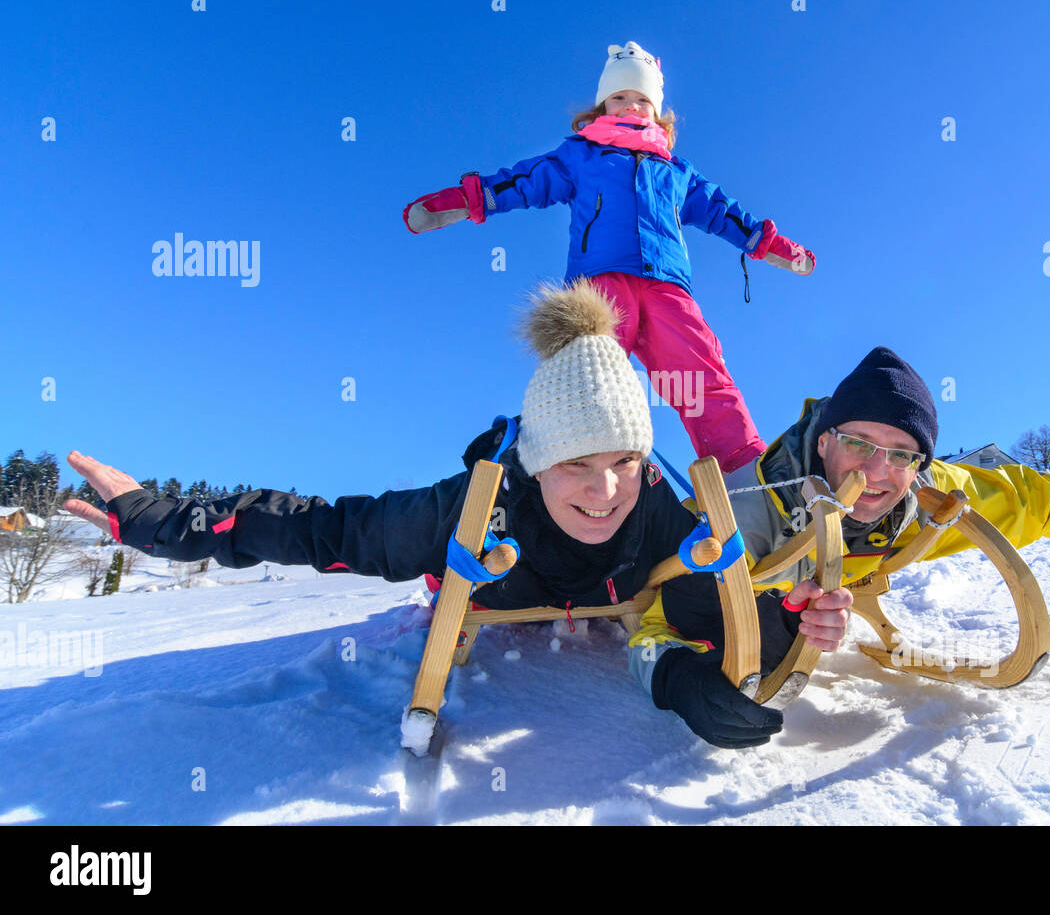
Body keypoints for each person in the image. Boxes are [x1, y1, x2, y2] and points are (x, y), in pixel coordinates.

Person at [61, 282, 850, 749]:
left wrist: (755, 645)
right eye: (578, 461)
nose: (605, 489)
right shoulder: (476, 508)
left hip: (604, 596)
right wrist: (151, 517)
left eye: (623, 461)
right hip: (491, 580)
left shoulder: (654, 510)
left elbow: (711, 608)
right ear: (538, 460)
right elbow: (319, 528)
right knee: (425, 557)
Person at [630, 346, 1050, 729]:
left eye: (902, 454)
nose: (878, 471)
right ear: (825, 439)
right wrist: (676, 681)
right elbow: (655, 602)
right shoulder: (750, 506)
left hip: (846, 575)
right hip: (752, 579)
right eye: (859, 442)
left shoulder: (925, 496)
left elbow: (1031, 497)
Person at [402, 41, 816, 474]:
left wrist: (774, 247)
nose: (631, 106)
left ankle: (746, 472)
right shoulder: (581, 155)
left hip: (667, 290)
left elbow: (725, 212)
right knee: (586, 380)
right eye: (619, 97)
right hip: (600, 287)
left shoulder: (677, 172)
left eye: (641, 99)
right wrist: (465, 200)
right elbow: (522, 181)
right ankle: (555, 470)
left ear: (657, 111)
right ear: (602, 107)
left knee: (701, 378)